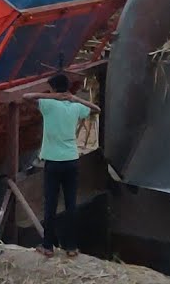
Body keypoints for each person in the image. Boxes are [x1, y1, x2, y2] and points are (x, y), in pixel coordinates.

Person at [24, 74, 99, 258]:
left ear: (52, 88)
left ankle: (48, 246)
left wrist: (53, 97)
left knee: (50, 204)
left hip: (53, 162)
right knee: (70, 204)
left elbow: (26, 97)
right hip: (72, 161)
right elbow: (96, 109)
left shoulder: (49, 105)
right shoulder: (75, 107)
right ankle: (71, 247)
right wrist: (74, 98)